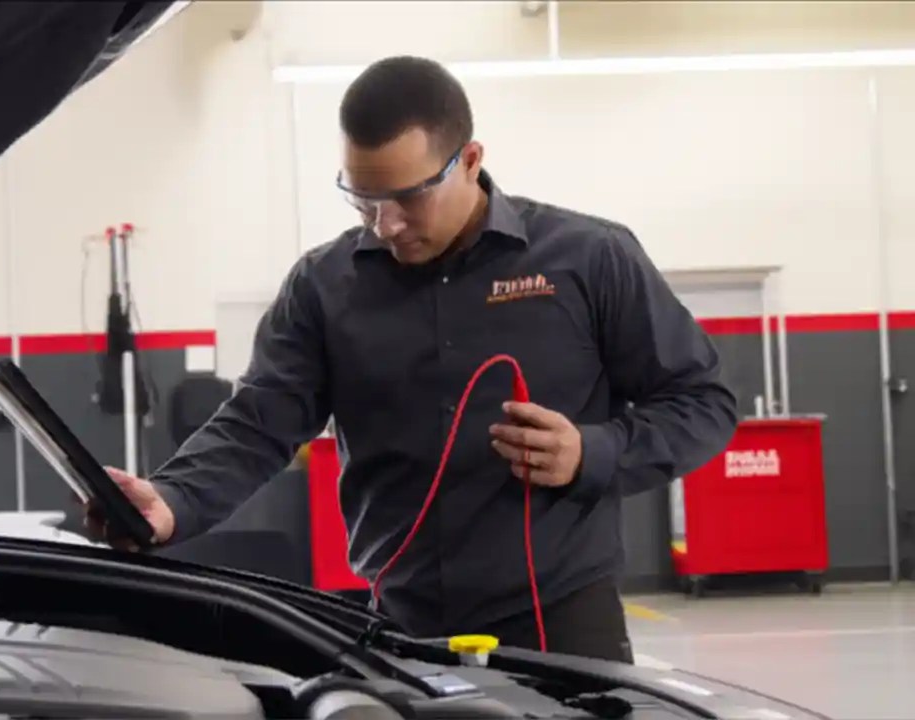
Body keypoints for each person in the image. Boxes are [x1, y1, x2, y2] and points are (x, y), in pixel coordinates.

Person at [86, 55, 738, 663]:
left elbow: (702, 402)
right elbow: (257, 423)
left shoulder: (589, 260)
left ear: (470, 159)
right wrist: (172, 499)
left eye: (408, 197)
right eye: (363, 199)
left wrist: (591, 453)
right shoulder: (323, 286)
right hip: (400, 622)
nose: (385, 224)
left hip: (562, 618)